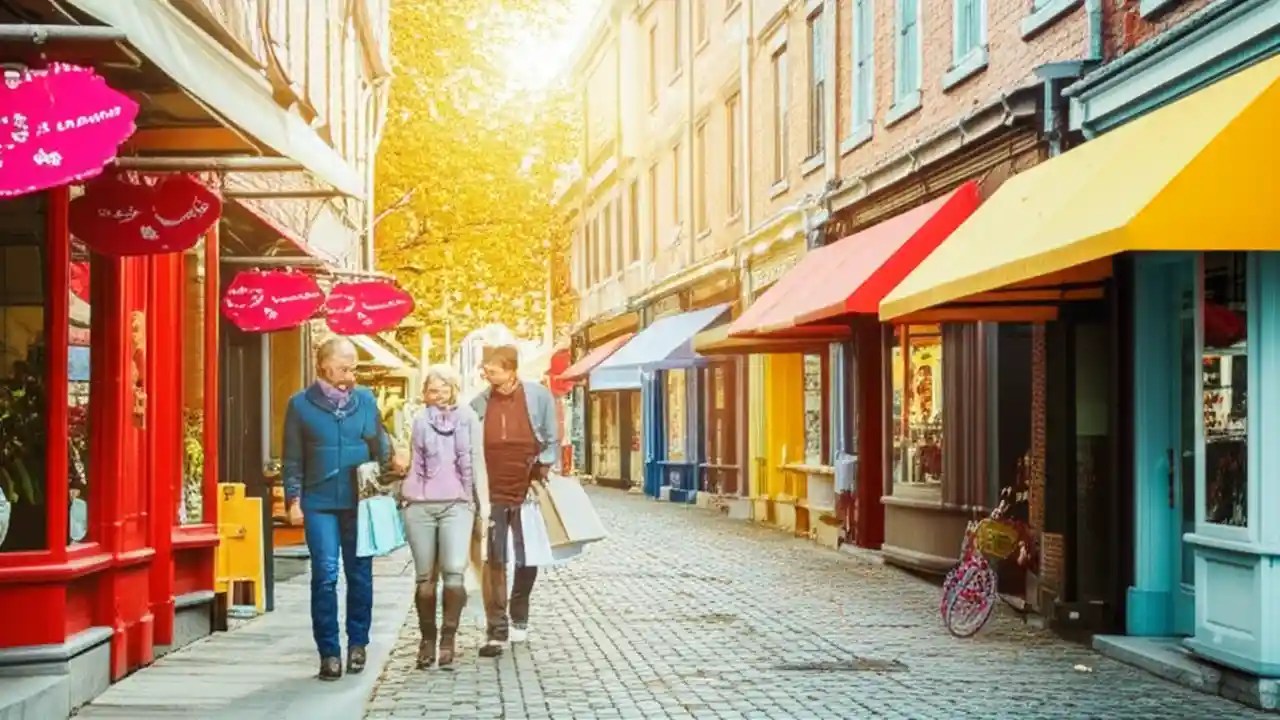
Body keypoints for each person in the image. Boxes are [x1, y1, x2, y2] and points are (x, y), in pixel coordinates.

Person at [282, 337, 398, 681]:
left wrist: (391, 464)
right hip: (318, 502)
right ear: (325, 366)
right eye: (345, 366)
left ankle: (358, 643)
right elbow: (292, 458)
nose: (351, 373)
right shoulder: (300, 405)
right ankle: (329, 652)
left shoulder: (364, 400)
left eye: (354, 367)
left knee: (360, 574)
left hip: (359, 501)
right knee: (326, 575)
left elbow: (381, 446)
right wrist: (293, 500)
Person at [470, 345, 559, 658]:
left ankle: (519, 613)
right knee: (494, 558)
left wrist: (542, 468)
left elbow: (551, 438)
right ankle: (497, 628)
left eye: (492, 370)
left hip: (526, 490)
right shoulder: (478, 403)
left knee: (526, 556)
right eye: (485, 369)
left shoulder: (538, 396)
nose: (487, 374)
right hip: (491, 491)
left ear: (510, 370)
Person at [401, 364, 490, 669]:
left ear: (453, 389)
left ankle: (448, 639)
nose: (437, 396)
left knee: (453, 571)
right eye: (431, 390)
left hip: (457, 503)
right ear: (424, 393)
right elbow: (407, 458)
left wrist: (483, 504)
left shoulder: (468, 418)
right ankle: (427, 638)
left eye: (443, 389)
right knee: (425, 578)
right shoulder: (416, 420)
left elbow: (476, 461)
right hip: (419, 503)